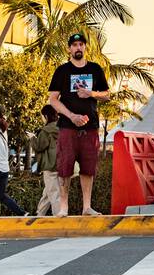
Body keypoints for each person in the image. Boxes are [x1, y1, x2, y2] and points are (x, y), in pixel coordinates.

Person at [47, 33, 110, 217]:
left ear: (85, 47)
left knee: (88, 168)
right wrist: (71, 115)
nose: (78, 48)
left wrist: (92, 94)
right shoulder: (62, 71)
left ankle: (87, 207)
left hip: (90, 128)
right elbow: (53, 99)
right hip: (68, 127)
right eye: (74, 45)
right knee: (65, 167)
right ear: (69, 49)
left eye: (81, 44)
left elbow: (106, 94)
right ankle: (63, 207)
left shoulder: (95, 69)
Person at [32, 104, 61, 216]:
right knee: (48, 192)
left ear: (46, 116)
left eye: (42, 116)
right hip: (61, 164)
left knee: (53, 193)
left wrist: (32, 138)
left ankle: (59, 219)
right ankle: (39, 214)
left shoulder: (46, 131)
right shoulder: (61, 128)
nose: (42, 119)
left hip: (49, 165)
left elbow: (39, 146)